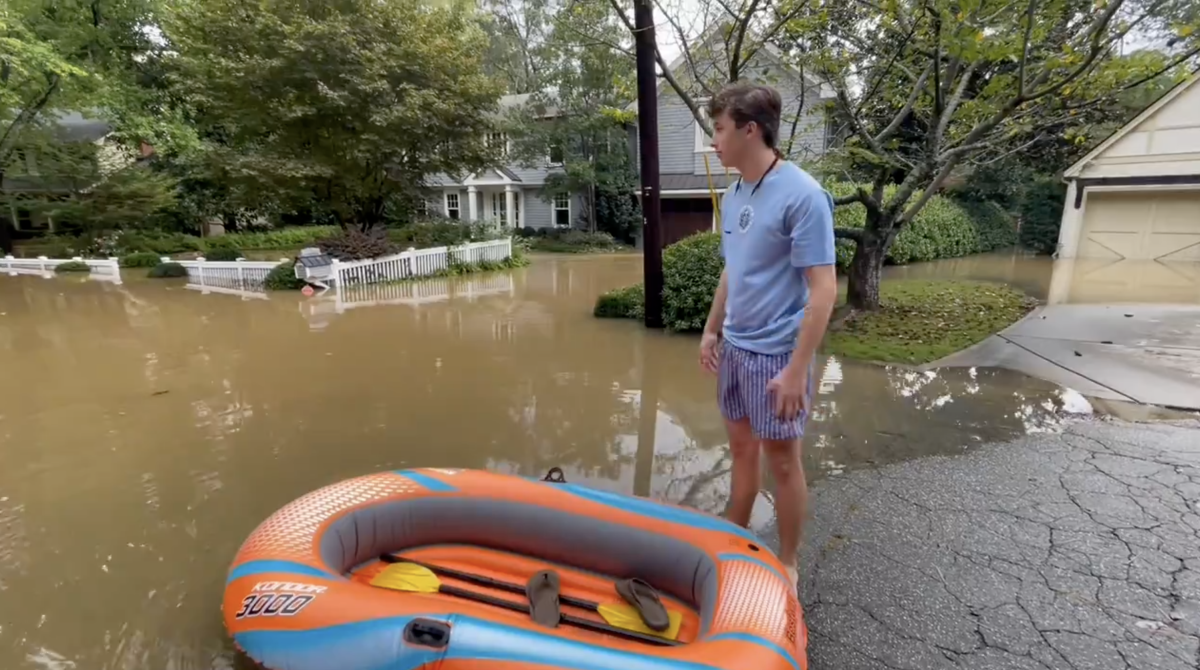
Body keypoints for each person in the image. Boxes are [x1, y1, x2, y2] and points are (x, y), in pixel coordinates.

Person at [698, 82, 837, 589]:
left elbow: (823, 290)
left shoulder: (804, 195)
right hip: (735, 350)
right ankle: (733, 538)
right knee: (739, 451)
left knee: (783, 463)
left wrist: (798, 370)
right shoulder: (735, 194)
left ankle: (790, 562)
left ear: (749, 130)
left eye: (718, 129)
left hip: (778, 356)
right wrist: (712, 331)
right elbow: (733, 270)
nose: (713, 140)